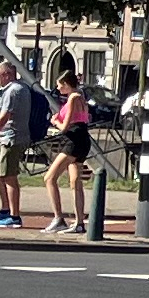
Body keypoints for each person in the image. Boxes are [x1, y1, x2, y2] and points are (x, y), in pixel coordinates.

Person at [0, 59, 48, 229]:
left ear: (7, 74)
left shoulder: (13, 91)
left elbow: (4, 117)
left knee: (9, 176)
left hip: (12, 138)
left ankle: (14, 216)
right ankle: (6, 209)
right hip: (13, 137)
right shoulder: (21, 88)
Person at [46, 69, 97, 232]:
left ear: (66, 84)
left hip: (73, 140)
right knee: (75, 181)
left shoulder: (73, 98)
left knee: (50, 178)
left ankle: (58, 218)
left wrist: (55, 121)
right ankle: (79, 223)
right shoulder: (81, 97)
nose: (58, 89)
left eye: (60, 86)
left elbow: (65, 127)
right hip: (83, 139)